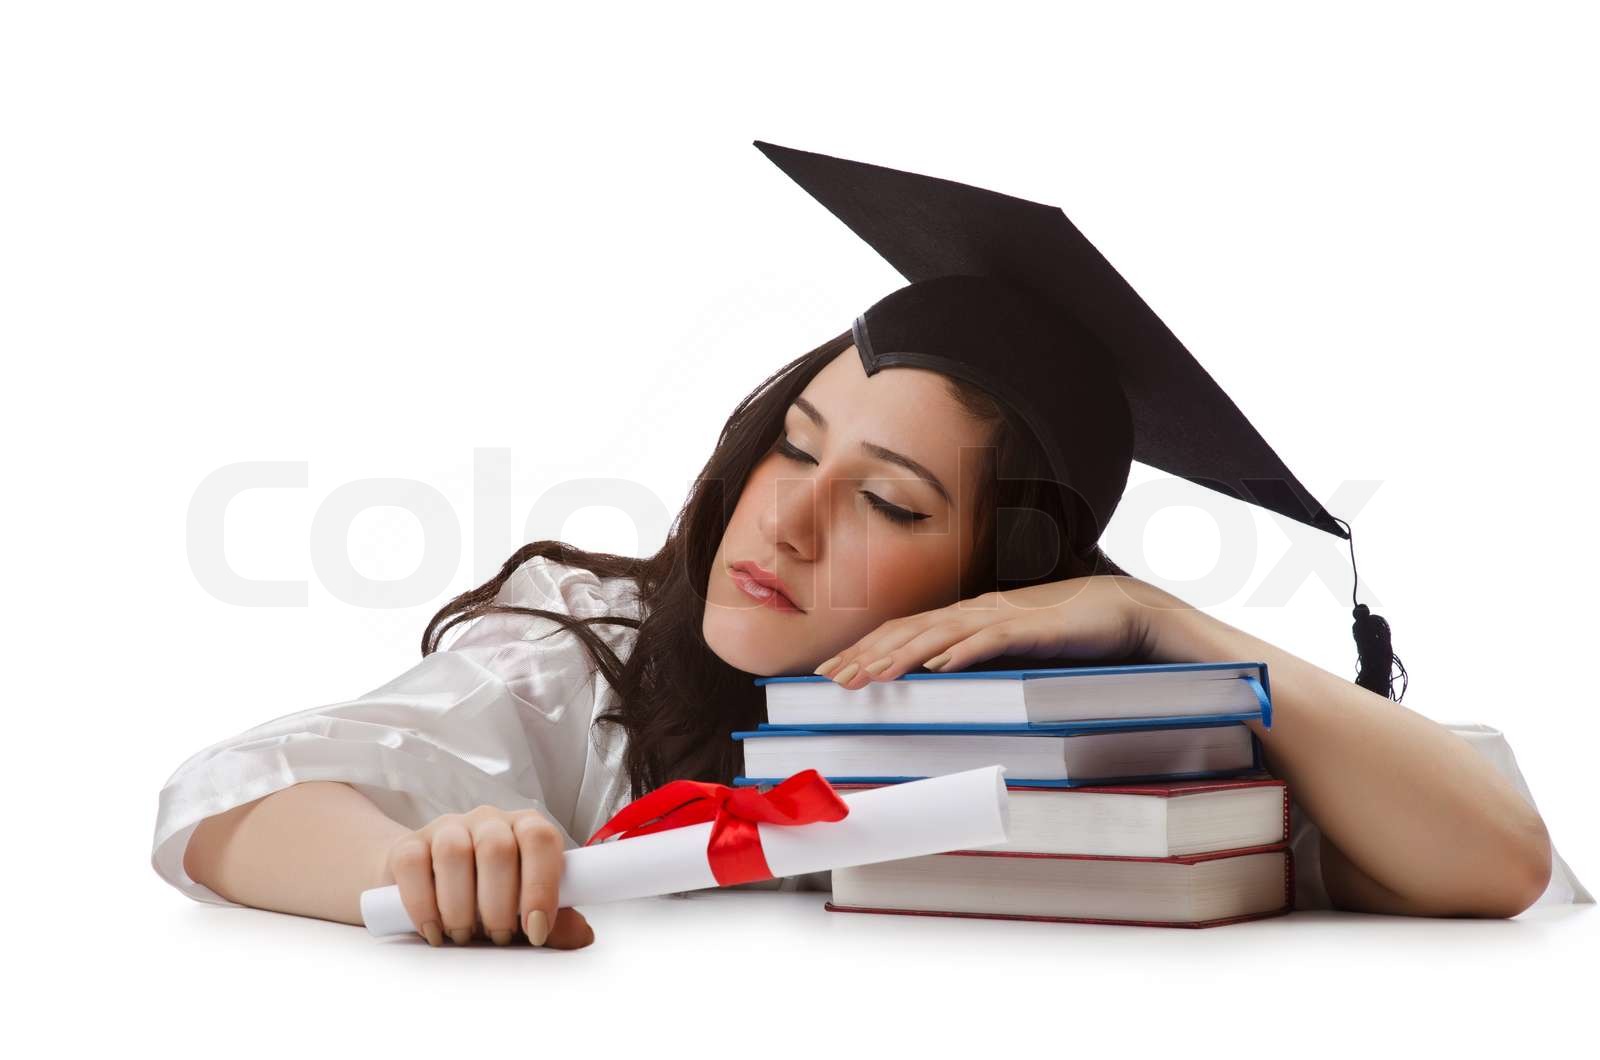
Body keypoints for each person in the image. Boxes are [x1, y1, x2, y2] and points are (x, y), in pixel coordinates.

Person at [152, 327, 1589, 950]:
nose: (784, 522)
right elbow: (232, 799)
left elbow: (1500, 857)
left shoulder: (1112, 735)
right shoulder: (593, 658)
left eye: (888, 501)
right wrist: (417, 865)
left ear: (996, 574)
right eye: (792, 447)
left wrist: (1173, 625)